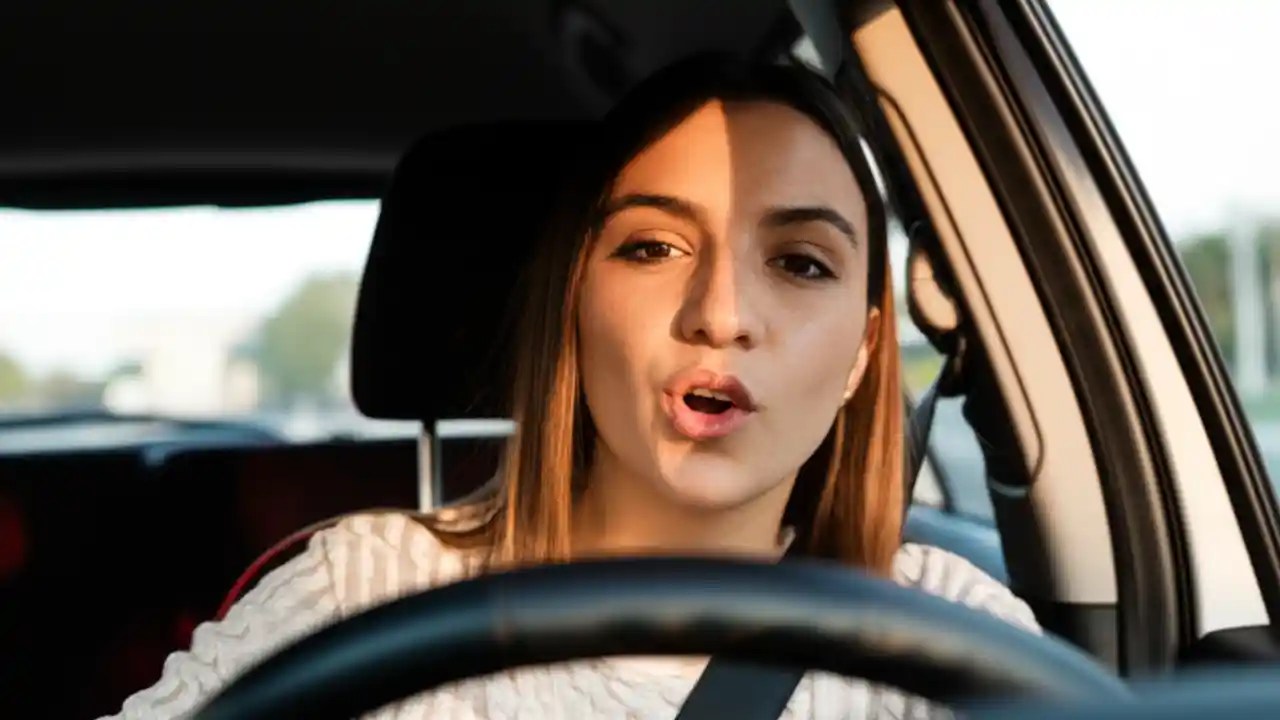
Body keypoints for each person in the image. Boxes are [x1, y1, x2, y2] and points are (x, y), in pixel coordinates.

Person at [104, 55, 1040, 720]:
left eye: (799, 263)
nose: (720, 312)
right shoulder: (364, 595)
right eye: (653, 248)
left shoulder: (949, 638)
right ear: (574, 304)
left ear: (867, 356)